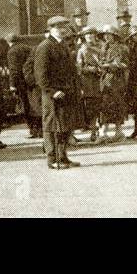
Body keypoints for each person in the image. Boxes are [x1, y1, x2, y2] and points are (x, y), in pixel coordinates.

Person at [35, 16, 81, 170]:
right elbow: (40, 75)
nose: (62, 30)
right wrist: (52, 91)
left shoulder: (62, 45)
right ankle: (52, 159)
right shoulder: (45, 46)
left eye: (64, 27)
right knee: (51, 126)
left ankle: (63, 157)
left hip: (66, 93)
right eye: (58, 27)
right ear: (50, 29)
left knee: (64, 126)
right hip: (53, 95)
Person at [6, 33, 41, 138]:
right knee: (34, 105)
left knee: (25, 106)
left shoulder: (12, 51)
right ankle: (39, 130)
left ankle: (33, 130)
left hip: (22, 82)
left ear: (8, 42)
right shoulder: (28, 48)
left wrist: (12, 84)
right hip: (32, 80)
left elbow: (13, 70)